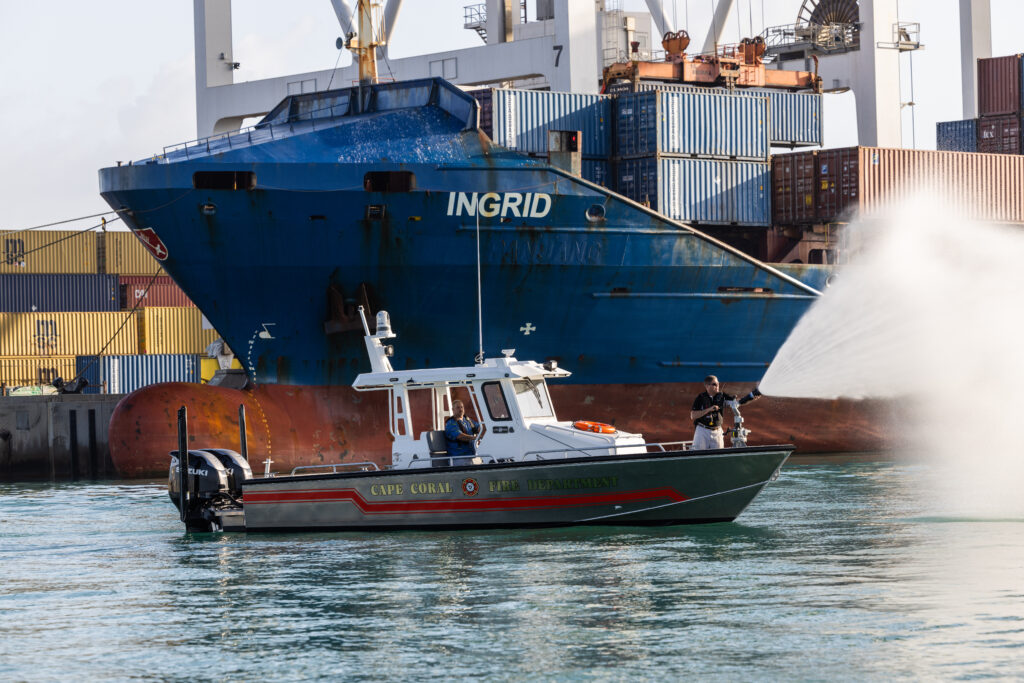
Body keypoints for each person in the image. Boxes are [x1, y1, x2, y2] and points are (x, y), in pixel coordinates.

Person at [689, 375, 761, 450]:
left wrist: (752, 397)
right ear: (707, 386)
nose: (717, 386)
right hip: (702, 431)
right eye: (714, 384)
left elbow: (736, 403)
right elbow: (693, 415)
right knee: (699, 454)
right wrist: (709, 409)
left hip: (717, 431)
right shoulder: (700, 398)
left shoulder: (722, 396)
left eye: (718, 383)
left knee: (719, 456)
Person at [445, 399, 485, 466]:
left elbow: (479, 427)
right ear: (453, 410)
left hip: (470, 456)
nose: (461, 409)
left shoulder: (467, 420)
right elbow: (460, 436)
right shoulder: (451, 424)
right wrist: (476, 437)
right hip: (459, 458)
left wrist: (487, 428)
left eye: (462, 407)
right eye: (458, 407)